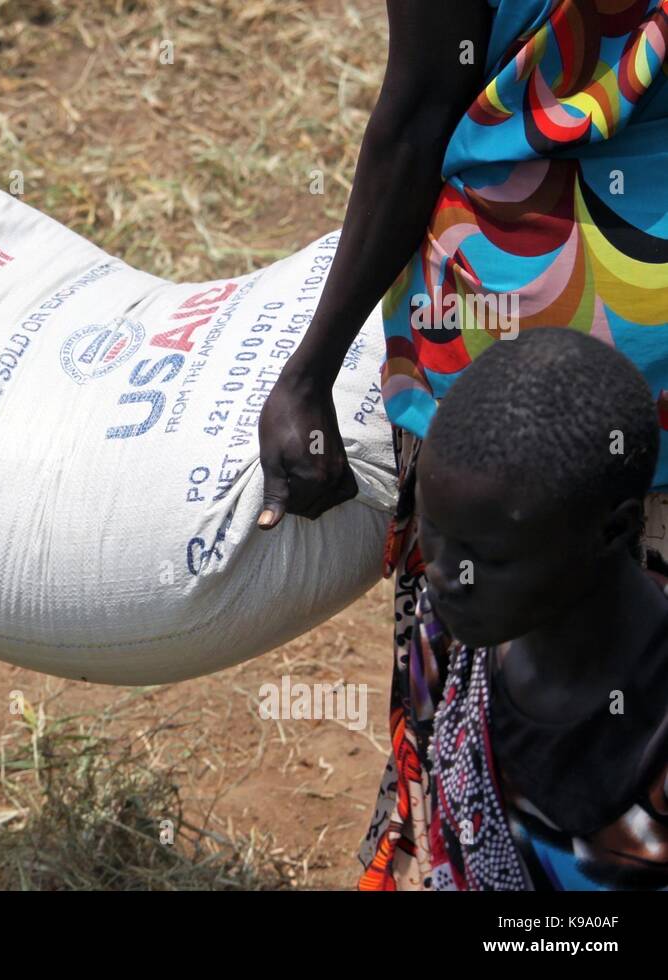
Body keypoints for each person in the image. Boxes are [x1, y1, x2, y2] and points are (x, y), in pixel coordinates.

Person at [253, 0, 668, 889]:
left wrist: (307, 370)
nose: (439, 575)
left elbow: (413, 121)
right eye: (435, 545)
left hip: (497, 332)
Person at [416, 328, 667, 890]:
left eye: (490, 558)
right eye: (432, 529)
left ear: (615, 529)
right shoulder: (449, 647)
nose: (443, 575)